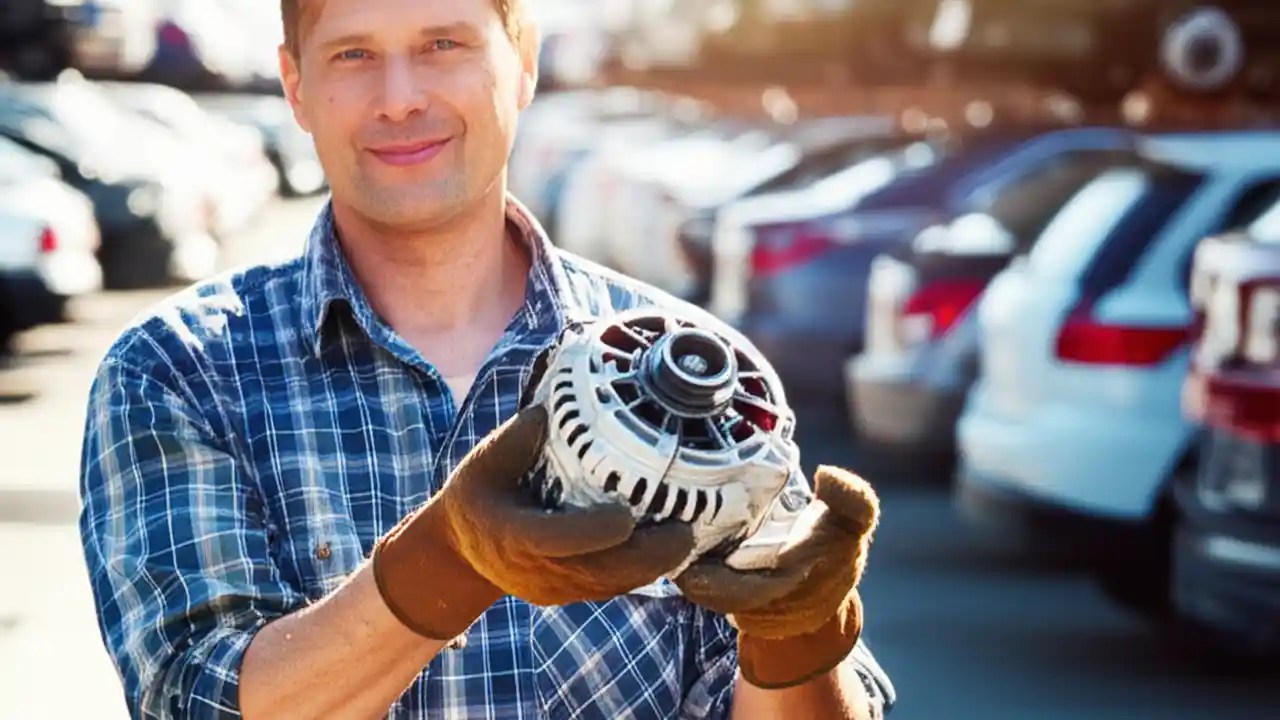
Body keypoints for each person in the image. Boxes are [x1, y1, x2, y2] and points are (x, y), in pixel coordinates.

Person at [77, 0, 896, 717]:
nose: (400, 99)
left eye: (444, 45)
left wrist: (797, 634)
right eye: (353, 54)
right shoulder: (178, 373)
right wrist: (451, 560)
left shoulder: (699, 379)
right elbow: (198, 701)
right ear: (296, 86)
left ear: (525, 63)